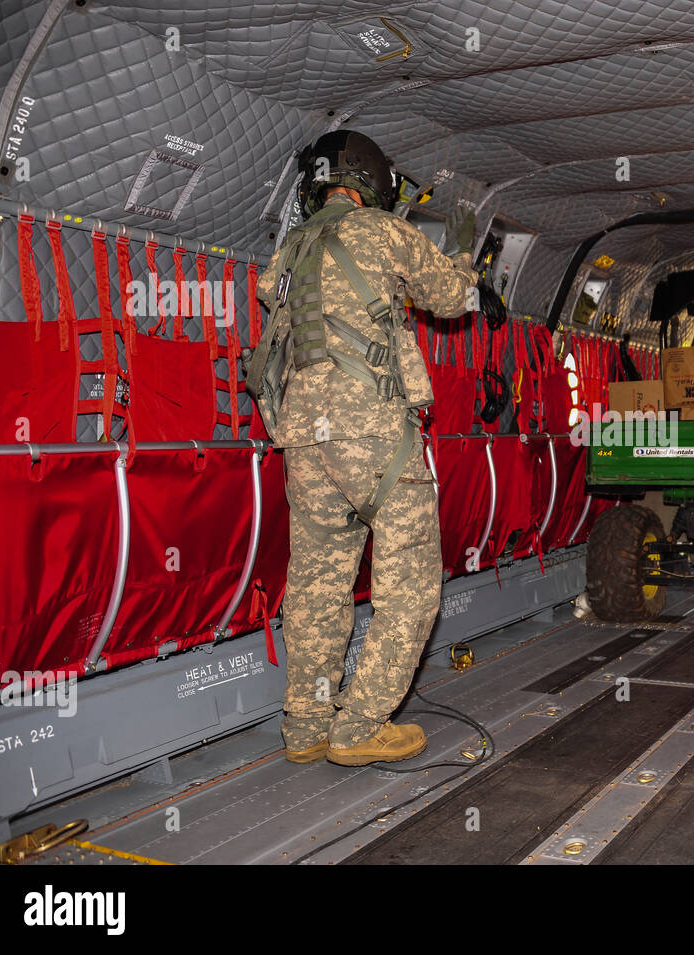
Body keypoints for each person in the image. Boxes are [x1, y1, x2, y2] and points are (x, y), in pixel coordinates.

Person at [250, 130, 478, 766]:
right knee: (409, 585)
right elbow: (454, 300)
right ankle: (360, 726)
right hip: (376, 437)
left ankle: (307, 724)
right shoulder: (385, 231)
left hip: (304, 440)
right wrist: (462, 257)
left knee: (319, 584)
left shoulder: (288, 249)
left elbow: (275, 313)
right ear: (374, 180)